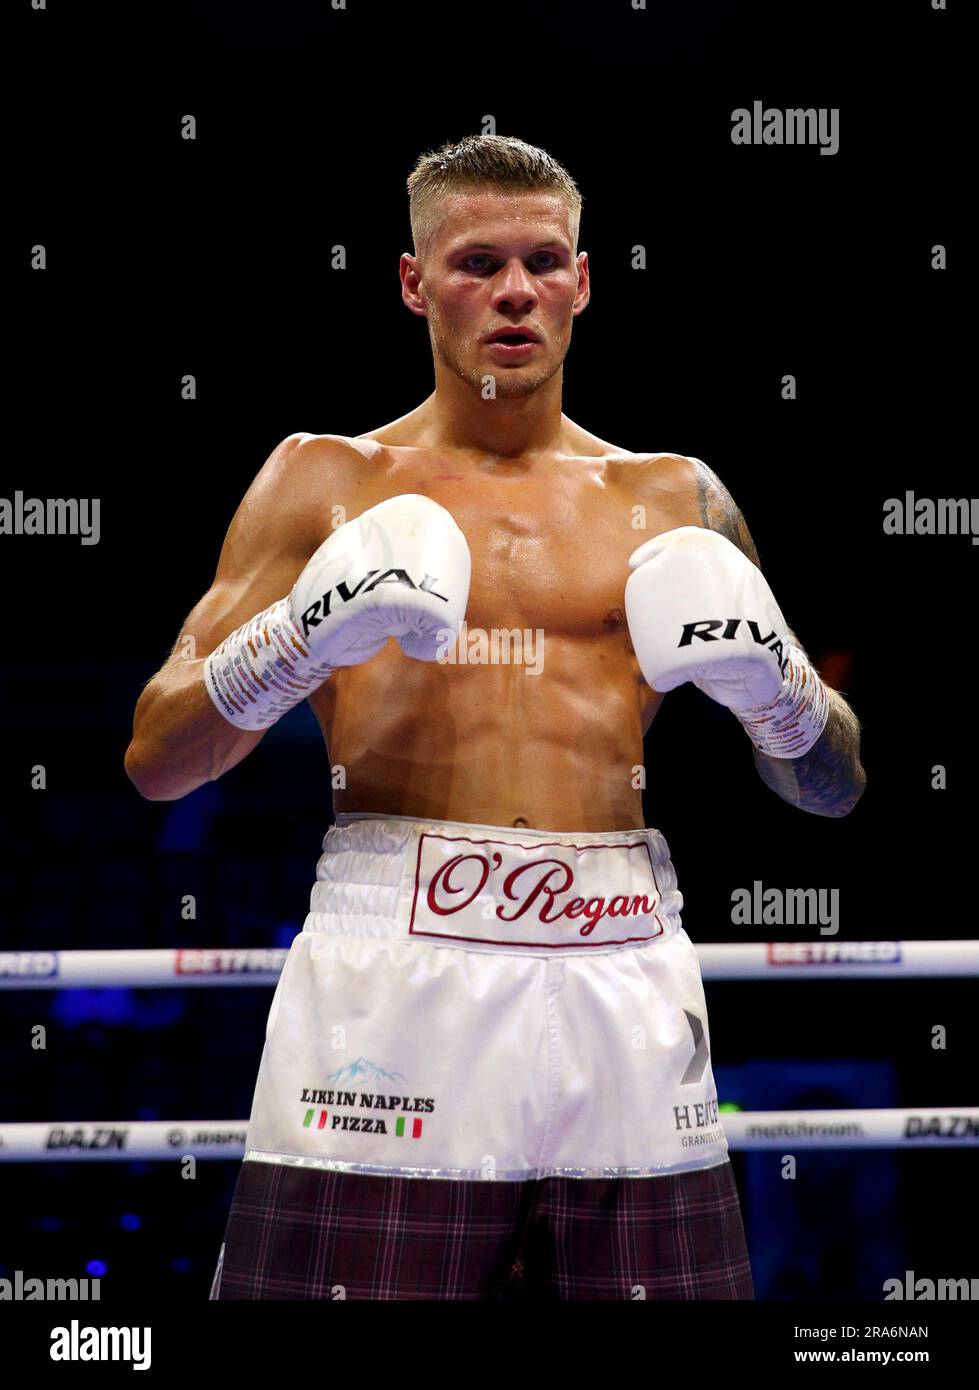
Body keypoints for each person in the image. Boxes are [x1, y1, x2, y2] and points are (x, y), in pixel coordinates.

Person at [125, 134, 866, 1300]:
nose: (513, 290)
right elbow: (158, 760)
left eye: (542, 260)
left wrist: (782, 696)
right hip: (396, 972)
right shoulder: (325, 481)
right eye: (476, 262)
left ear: (583, 280)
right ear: (414, 283)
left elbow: (832, 785)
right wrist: (296, 639)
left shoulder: (676, 500)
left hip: (624, 973)